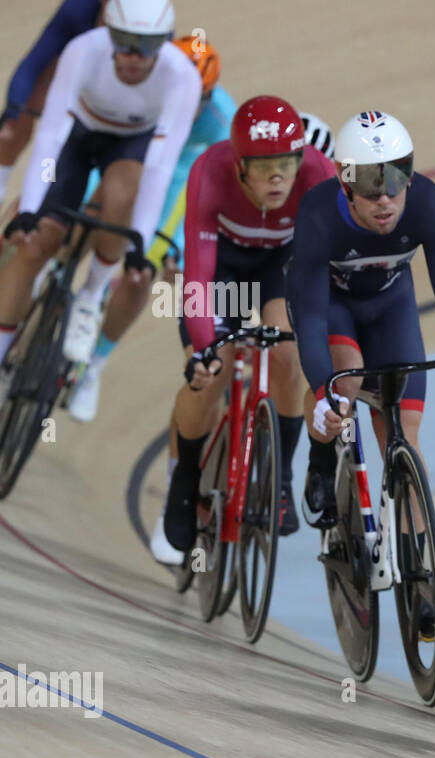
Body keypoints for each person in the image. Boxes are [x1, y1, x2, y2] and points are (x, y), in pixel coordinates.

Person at [287, 110, 435, 625]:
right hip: (331, 307)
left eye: (396, 179)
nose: (385, 197)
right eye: (371, 185)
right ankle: (321, 458)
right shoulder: (317, 216)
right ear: (344, 184)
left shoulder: (429, 204)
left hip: (391, 308)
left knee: (405, 436)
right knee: (346, 374)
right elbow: (307, 317)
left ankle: (418, 572)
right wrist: (323, 392)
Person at [160, 95, 335, 557]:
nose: (277, 178)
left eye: (286, 164)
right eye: (263, 168)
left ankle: (279, 480)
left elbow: (325, 270)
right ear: (239, 167)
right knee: (212, 370)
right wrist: (202, 348)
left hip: (280, 265)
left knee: (288, 353)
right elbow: (197, 273)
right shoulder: (209, 171)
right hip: (223, 265)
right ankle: (185, 477)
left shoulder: (319, 173)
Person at [0, 0, 199, 372]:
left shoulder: (182, 76)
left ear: (166, 42)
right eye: (123, 41)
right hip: (78, 135)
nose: (133, 56)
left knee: (126, 189)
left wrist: (140, 242)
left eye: (147, 45)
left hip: (130, 146)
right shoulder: (83, 50)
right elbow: (50, 138)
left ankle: (91, 294)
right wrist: (29, 208)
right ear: (108, 32)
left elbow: (159, 165)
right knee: (33, 245)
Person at [71, 34, 235, 427]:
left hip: (172, 189)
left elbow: (209, 192)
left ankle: (94, 364)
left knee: (142, 271)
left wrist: (180, 246)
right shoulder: (134, 88)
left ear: (209, 98)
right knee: (72, 223)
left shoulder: (220, 121)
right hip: (121, 161)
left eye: (197, 101)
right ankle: (50, 287)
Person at [0, 0, 105, 209]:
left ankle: (43, 197)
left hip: (111, 102)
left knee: (57, 162)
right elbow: (33, 63)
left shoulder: (151, 28)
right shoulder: (79, 9)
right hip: (73, 83)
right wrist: (15, 109)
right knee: (11, 134)